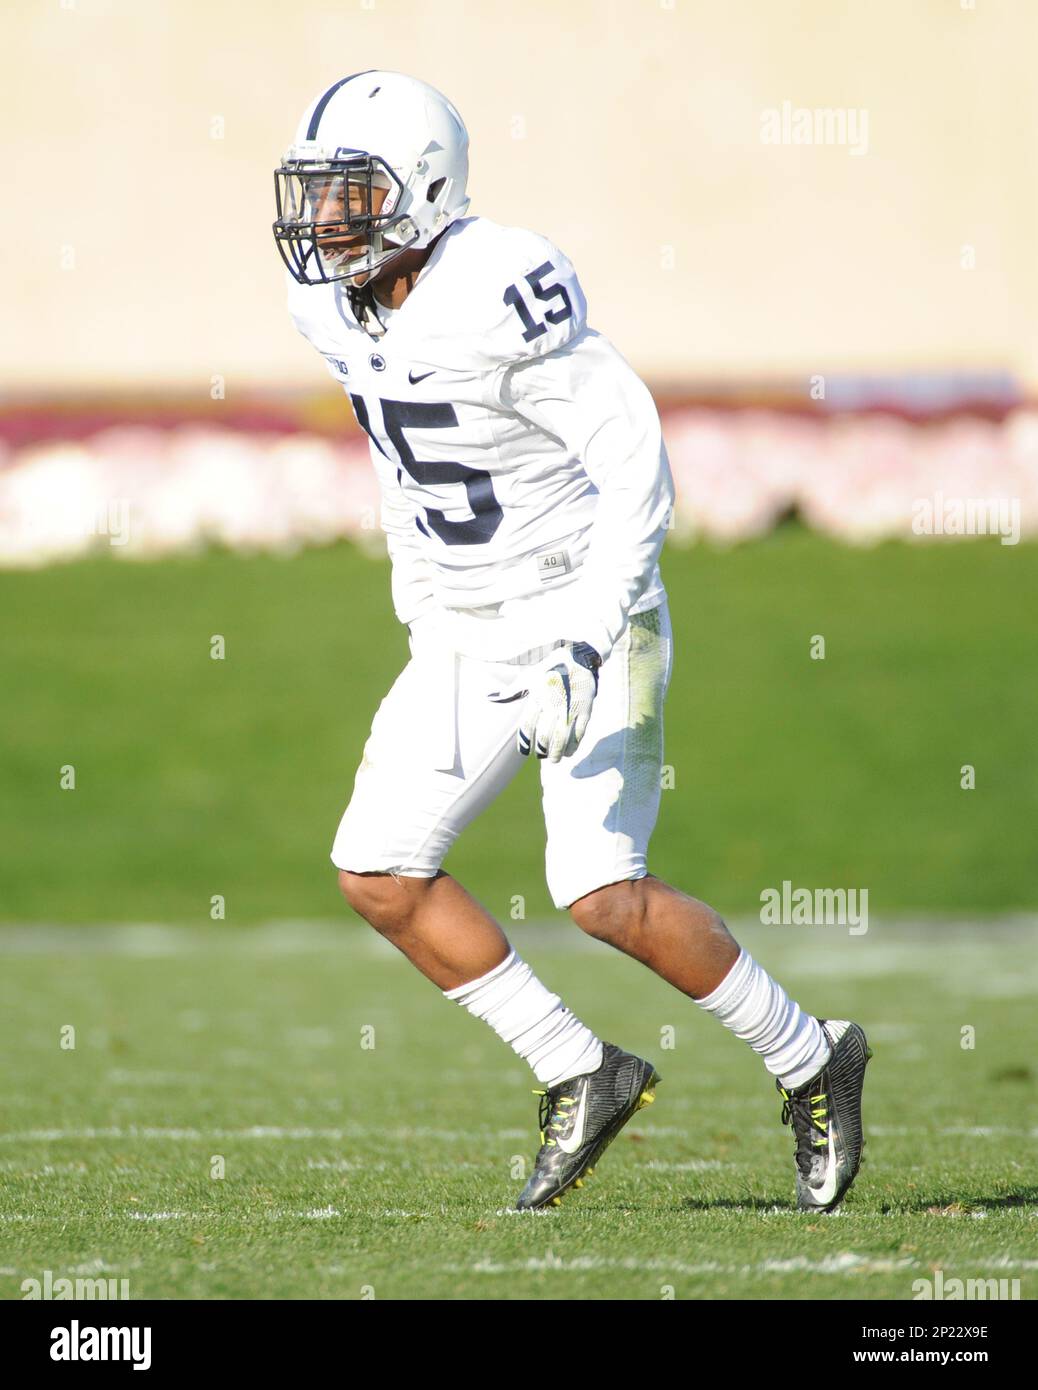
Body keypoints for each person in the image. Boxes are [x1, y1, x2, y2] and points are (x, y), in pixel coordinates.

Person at [273, 70, 870, 1212]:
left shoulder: (499, 284)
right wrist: (425, 600)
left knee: (599, 891)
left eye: (352, 192)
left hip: (588, 607)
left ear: (426, 192)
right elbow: (404, 461)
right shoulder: (327, 306)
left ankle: (813, 1057)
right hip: (465, 624)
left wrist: (588, 645)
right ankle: (581, 1068)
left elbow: (636, 466)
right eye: (317, 194)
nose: (326, 220)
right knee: (380, 871)